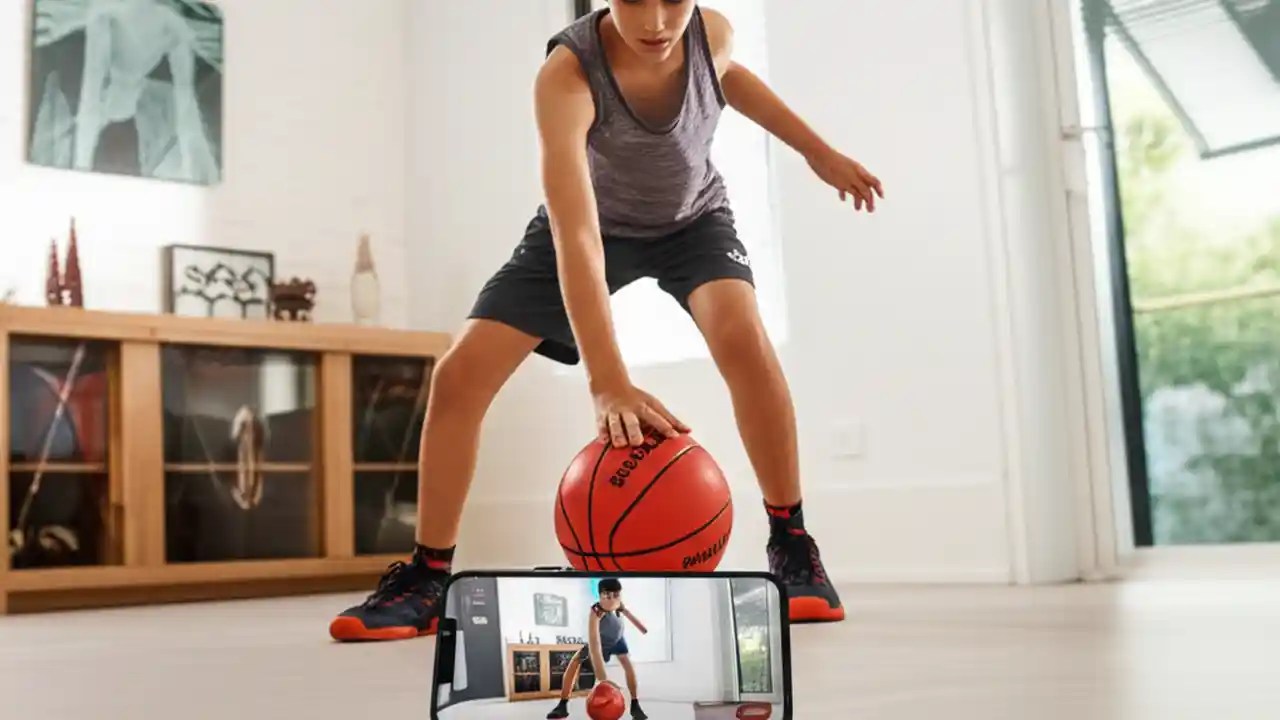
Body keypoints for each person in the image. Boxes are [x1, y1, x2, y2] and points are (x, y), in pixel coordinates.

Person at [328, 0, 883, 643]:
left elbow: (728, 76)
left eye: (673, 1)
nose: (654, 21)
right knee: (460, 375)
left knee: (744, 338)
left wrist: (818, 151)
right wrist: (608, 379)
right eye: (633, 0)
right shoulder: (567, 75)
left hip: (693, 220)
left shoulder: (713, 34)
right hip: (594, 226)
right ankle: (426, 579)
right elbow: (577, 236)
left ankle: (792, 544)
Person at [547, 578, 648, 719]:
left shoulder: (618, 605)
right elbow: (594, 644)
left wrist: (642, 628)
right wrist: (603, 679)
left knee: (627, 663)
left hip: (618, 640)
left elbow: (633, 619)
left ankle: (635, 705)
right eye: (607, 596)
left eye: (616, 595)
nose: (612, 600)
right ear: (600, 596)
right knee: (575, 661)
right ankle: (562, 704)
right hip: (601, 641)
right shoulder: (596, 611)